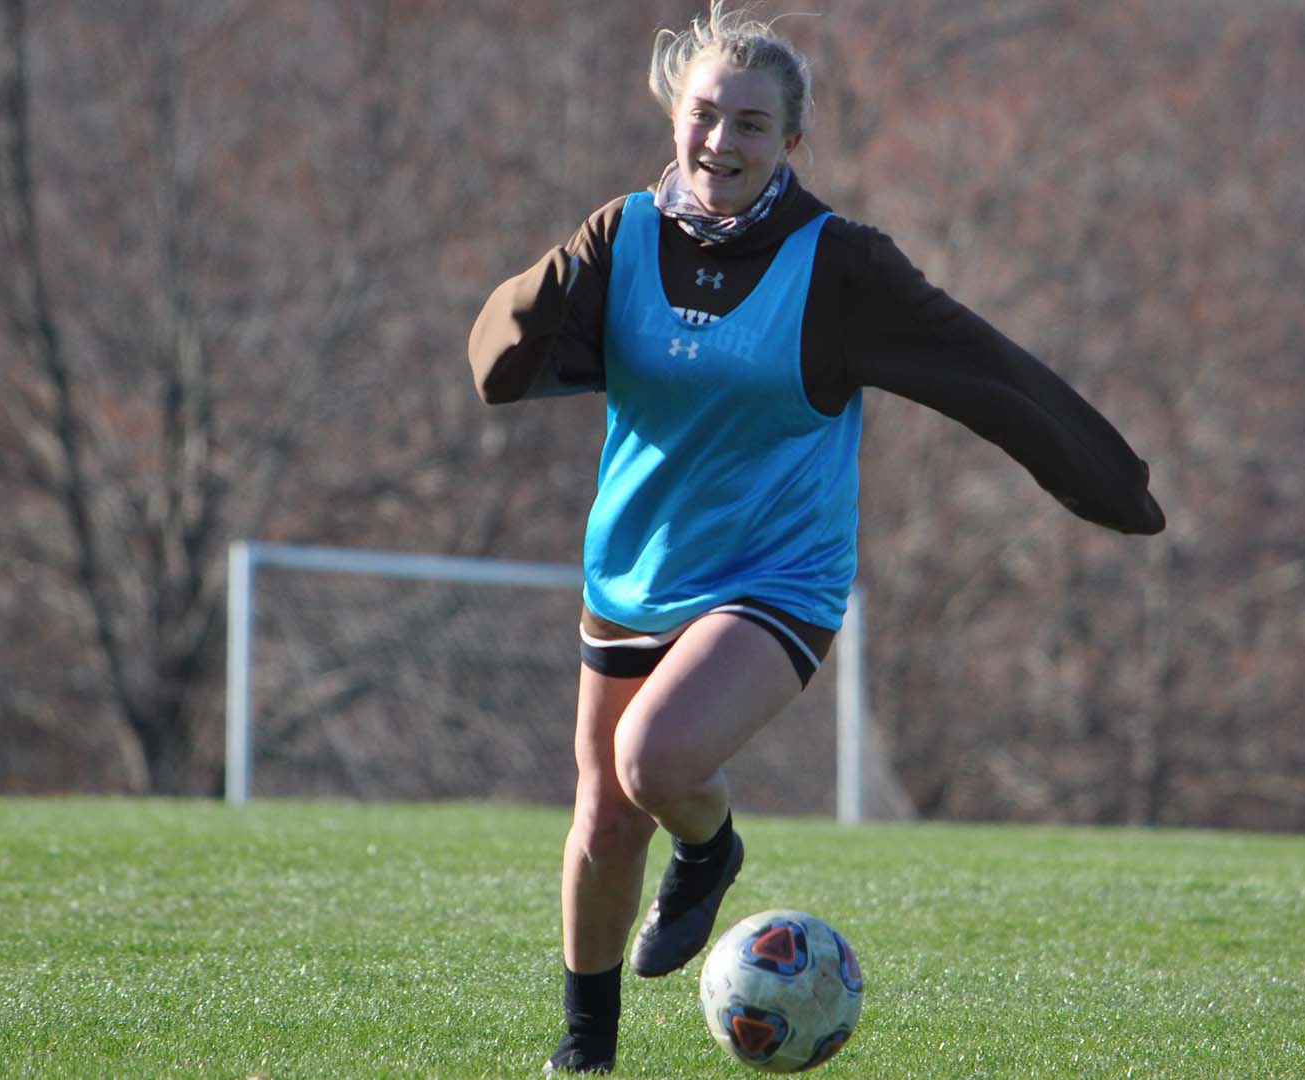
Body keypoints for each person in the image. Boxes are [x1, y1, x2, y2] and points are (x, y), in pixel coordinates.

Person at [468, 2, 1164, 1072]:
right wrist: (532, 300)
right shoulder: (623, 235)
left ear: (790, 143)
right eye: (706, 114)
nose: (721, 142)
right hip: (633, 565)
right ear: (673, 115)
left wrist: (1106, 479)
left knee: (654, 758)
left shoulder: (840, 266)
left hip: (774, 576)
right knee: (604, 819)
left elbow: (986, 371)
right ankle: (583, 1053)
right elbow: (500, 356)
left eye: (752, 125)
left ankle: (709, 847)